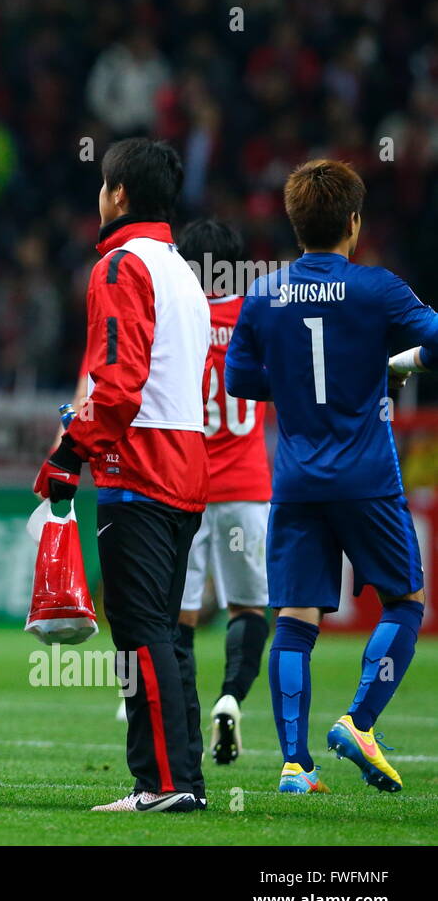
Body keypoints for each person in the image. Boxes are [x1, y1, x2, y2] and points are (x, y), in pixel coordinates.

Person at [227, 159, 436, 795]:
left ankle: (295, 765)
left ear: (294, 225)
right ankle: (359, 722)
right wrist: (395, 364)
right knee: (405, 599)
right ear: (353, 221)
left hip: (295, 481)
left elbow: (239, 379)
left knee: (294, 615)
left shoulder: (264, 293)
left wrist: (290, 387)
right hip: (367, 477)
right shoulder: (377, 289)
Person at [35, 138, 209, 813]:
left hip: (138, 467)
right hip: (187, 466)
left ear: (119, 196)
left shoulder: (119, 267)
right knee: (158, 631)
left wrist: (68, 454)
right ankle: (181, 779)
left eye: (103, 185)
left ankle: (161, 784)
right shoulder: (182, 271)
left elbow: (119, 387)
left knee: (138, 634)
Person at [172, 218, 273, 766]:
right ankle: (231, 697)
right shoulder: (256, 317)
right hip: (247, 489)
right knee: (248, 607)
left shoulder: (178, 317)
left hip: (187, 489)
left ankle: (185, 735)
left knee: (181, 616)